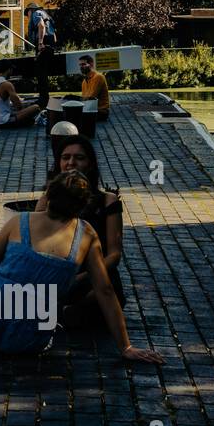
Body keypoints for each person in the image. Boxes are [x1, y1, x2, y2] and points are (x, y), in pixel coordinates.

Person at [0, 171, 163, 363]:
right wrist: (126, 347)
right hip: (31, 339)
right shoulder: (87, 234)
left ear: (48, 196)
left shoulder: (20, 221)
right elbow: (106, 292)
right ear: (81, 206)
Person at [37, 135, 124, 326]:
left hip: (94, 273)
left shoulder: (108, 201)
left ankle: (62, 312)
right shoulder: (47, 200)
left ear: (90, 164)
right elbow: (35, 245)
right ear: (59, 163)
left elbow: (114, 254)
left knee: (105, 291)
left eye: (79, 158)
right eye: (65, 157)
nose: (71, 163)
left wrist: (83, 276)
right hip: (59, 270)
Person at [0, 60, 40, 128]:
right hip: (2, 122)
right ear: (9, 69)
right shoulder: (6, 84)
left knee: (17, 112)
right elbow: (18, 106)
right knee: (36, 107)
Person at [26, 2, 57, 109]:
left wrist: (40, 42)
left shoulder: (36, 14)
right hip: (50, 45)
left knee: (40, 73)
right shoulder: (46, 14)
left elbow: (41, 26)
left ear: (30, 10)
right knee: (43, 72)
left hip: (43, 44)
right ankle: (44, 98)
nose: (28, 16)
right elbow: (54, 35)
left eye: (27, 13)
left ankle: (43, 100)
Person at [77, 54, 111, 122]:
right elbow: (85, 100)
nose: (81, 67)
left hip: (101, 111)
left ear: (91, 64)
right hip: (90, 110)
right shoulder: (84, 81)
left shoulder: (98, 77)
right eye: (80, 65)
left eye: (83, 64)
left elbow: (91, 98)